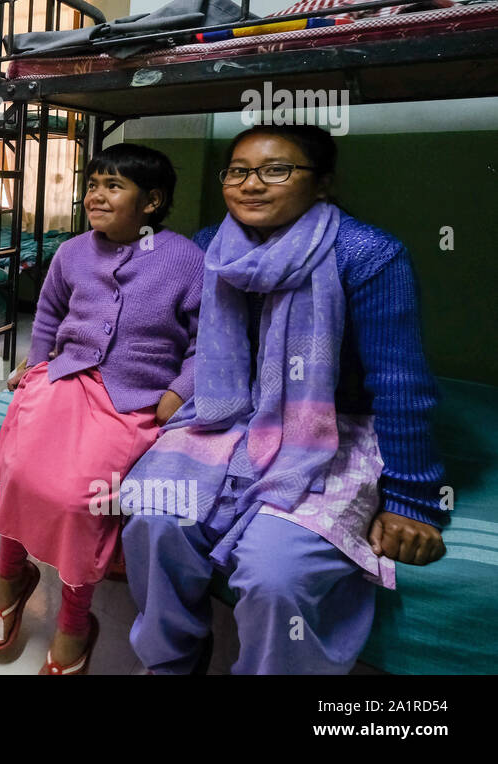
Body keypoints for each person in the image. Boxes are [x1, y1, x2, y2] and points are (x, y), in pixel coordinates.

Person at [122, 124, 448, 675]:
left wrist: (411, 502)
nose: (252, 185)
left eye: (276, 170)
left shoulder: (367, 254)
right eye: (239, 171)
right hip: (228, 415)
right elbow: (169, 336)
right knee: (154, 521)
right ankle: (170, 663)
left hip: (326, 427)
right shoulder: (210, 246)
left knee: (276, 574)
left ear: (321, 185)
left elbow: (401, 384)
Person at [0, 145, 202, 674]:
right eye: (92, 184)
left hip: (133, 396)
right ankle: (13, 575)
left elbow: (209, 341)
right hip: (65, 376)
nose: (95, 196)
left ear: (153, 201)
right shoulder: (73, 250)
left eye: (113, 186)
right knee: (18, 465)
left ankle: (75, 620)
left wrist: (178, 392)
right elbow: (49, 311)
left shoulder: (187, 259)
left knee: (85, 497)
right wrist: (36, 364)